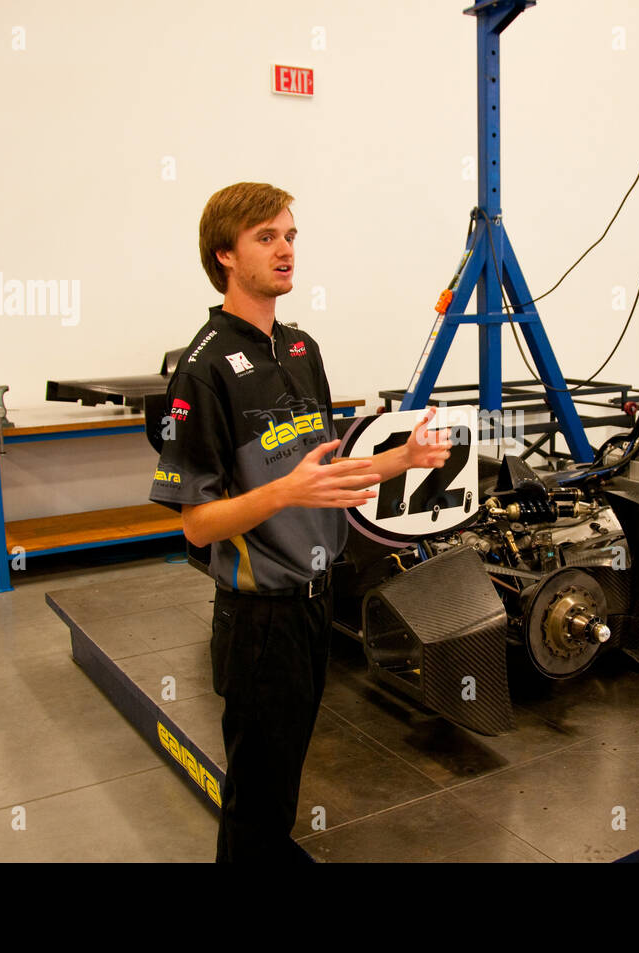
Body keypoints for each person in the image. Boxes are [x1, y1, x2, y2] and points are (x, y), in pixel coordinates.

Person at [149, 182, 451, 862]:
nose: (285, 249)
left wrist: (404, 456)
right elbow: (198, 526)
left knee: (281, 784)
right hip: (260, 621)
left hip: (319, 603)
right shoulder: (201, 372)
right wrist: (284, 491)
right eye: (266, 237)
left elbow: (327, 477)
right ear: (225, 254)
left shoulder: (300, 349)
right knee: (256, 799)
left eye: (290, 235)